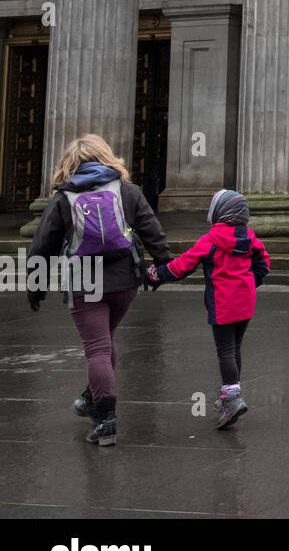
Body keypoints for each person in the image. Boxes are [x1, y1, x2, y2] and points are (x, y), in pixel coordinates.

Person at [27, 134, 172, 446]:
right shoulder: (128, 191)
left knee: (97, 348)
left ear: (69, 164)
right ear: (108, 157)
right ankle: (93, 399)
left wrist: (35, 284)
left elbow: (43, 243)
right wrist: (163, 266)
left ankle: (106, 419)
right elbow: (153, 231)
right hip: (124, 281)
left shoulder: (63, 197)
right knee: (104, 343)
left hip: (84, 282)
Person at [147, 189, 270, 429]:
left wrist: (156, 275)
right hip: (245, 301)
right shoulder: (251, 238)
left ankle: (232, 399)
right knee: (234, 347)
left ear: (218, 213)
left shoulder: (211, 240)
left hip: (223, 302)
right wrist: (249, 283)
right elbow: (263, 263)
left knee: (224, 349)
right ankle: (231, 393)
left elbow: (182, 266)